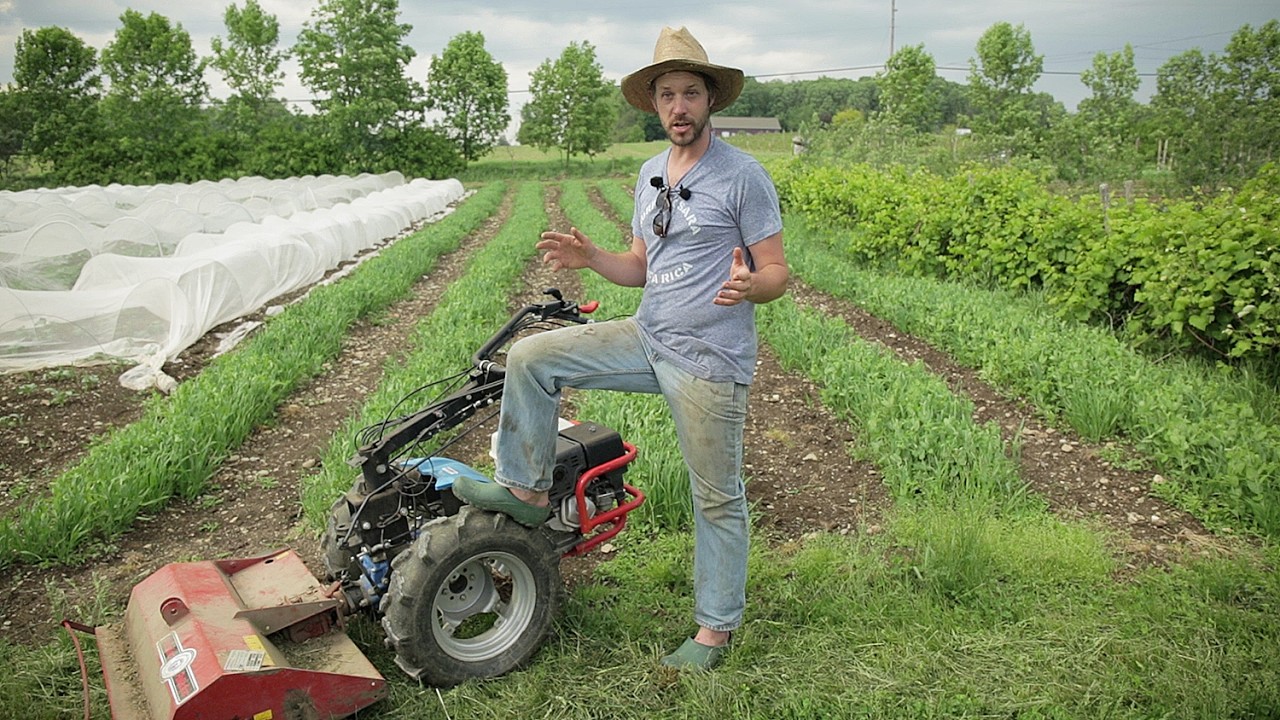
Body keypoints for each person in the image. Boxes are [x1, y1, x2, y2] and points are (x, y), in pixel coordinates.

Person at [453, 25, 788, 671]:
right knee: (532, 357)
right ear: (655, 103)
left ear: (710, 100)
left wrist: (753, 285)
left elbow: (777, 270)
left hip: (708, 360)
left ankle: (714, 630)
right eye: (668, 94)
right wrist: (590, 257)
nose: (679, 106)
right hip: (648, 334)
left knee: (717, 495)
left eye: (691, 92)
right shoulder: (650, 172)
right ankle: (525, 490)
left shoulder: (743, 176)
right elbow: (641, 265)